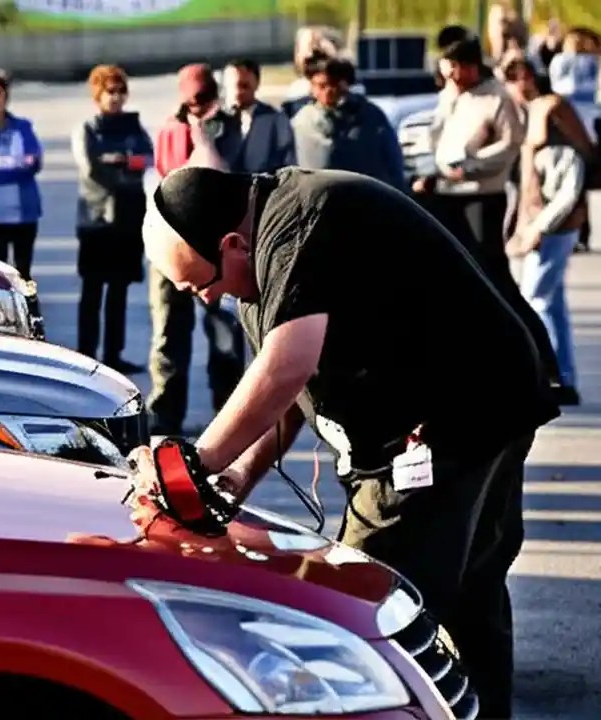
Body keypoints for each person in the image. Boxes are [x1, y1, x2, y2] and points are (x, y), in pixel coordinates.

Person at [142, 164, 559, 719]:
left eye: (205, 283)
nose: (209, 300)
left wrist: (192, 462)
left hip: (456, 418)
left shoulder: (300, 222)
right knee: (465, 594)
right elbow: (287, 393)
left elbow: (288, 364)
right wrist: (239, 472)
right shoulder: (261, 265)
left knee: (367, 600)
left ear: (233, 243)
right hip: (484, 401)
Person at [148, 62, 248, 434]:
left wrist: (206, 136)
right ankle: (165, 412)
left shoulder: (232, 128)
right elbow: (176, 180)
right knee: (169, 332)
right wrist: (193, 134)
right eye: (192, 101)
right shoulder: (171, 130)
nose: (198, 107)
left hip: (216, 248)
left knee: (225, 333)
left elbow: (222, 174)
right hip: (173, 245)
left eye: (204, 99)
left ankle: (228, 411)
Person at [504, 56, 593, 405]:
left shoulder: (556, 131)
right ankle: (562, 376)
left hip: (556, 226)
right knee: (551, 302)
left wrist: (539, 228)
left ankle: (548, 374)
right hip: (545, 225)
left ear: (526, 79)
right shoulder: (536, 122)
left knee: (536, 297)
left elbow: (568, 189)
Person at [416, 37, 524, 285]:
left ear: (472, 66)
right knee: (450, 262)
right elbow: (437, 136)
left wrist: (471, 167)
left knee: (488, 264)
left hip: (481, 194)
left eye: (456, 67)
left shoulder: (497, 98)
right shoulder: (449, 95)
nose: (451, 74)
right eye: (448, 66)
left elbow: (510, 145)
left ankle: (511, 318)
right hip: (445, 190)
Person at [71, 64, 152, 374]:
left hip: (128, 217)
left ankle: (113, 354)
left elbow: (148, 156)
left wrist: (124, 162)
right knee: (92, 290)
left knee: (119, 290)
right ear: (98, 95)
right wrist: (122, 167)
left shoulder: (133, 126)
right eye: (110, 92)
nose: (116, 98)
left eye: (121, 92)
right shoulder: (88, 128)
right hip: (96, 219)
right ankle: (85, 353)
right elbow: (90, 167)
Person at [290, 55, 406, 190]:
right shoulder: (303, 121)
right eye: (321, 86)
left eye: (332, 84)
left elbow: (392, 159)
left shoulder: (370, 115)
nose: (327, 91)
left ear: (344, 84)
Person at [0, 70, 43, 280]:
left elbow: (34, 162)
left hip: (23, 212)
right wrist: (13, 167)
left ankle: (29, 311)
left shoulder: (22, 127)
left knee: (23, 272)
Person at [222, 58, 295, 174]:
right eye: (232, 86)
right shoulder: (217, 120)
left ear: (256, 84)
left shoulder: (275, 120)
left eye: (244, 86)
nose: (237, 92)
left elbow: (287, 162)